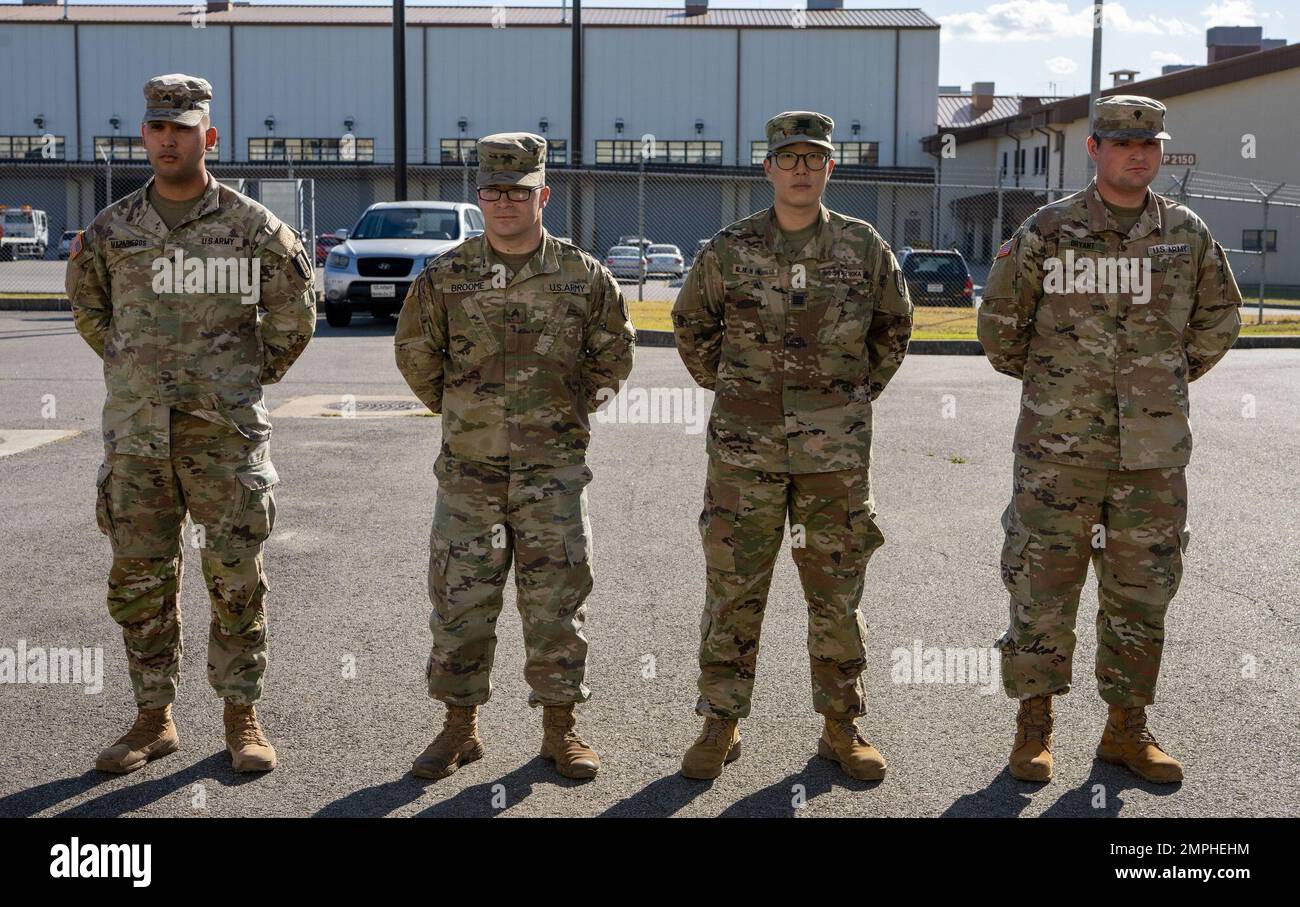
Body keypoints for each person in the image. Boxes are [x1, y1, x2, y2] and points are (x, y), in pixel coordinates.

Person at [977, 95, 1242, 784]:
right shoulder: (1048, 231)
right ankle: (1033, 728)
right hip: (1057, 455)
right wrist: (1059, 391)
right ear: (1092, 150)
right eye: (1122, 143)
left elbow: (1218, 320)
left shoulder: (1186, 234)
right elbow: (1000, 328)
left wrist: (1161, 382)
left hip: (1152, 460)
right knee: (1041, 588)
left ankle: (1127, 728)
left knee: (1142, 593)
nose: (1137, 154)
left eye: (1149, 143)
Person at [67, 73, 316, 774]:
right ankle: (153, 718)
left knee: (235, 577)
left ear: (209, 137)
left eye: (182, 128)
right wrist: (137, 371)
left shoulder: (251, 227)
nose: (168, 138)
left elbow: (294, 316)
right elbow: (90, 312)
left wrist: (237, 379)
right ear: (144, 136)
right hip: (138, 441)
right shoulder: (113, 231)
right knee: (140, 578)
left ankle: (242, 717)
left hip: (223, 441)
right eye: (157, 127)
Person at [671, 112, 913, 781]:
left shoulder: (862, 249)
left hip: (833, 458)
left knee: (835, 592)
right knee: (733, 590)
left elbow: (895, 328)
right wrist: (738, 392)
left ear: (831, 168)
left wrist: (850, 398)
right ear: (768, 168)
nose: (802, 168)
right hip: (743, 456)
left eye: (814, 158)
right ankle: (721, 721)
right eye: (789, 157)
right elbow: (691, 323)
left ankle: (842, 725)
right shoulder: (730, 248)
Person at [395, 132, 635, 781]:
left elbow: (615, 357)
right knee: (460, 601)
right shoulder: (447, 275)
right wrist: (464, 414)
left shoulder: (582, 276)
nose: (506, 202)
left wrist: (569, 413)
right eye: (495, 191)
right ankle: (458, 729)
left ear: (543, 195)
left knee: (557, 602)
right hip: (469, 476)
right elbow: (417, 354)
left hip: (553, 474)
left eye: (519, 191)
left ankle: (561, 729)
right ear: (480, 196)